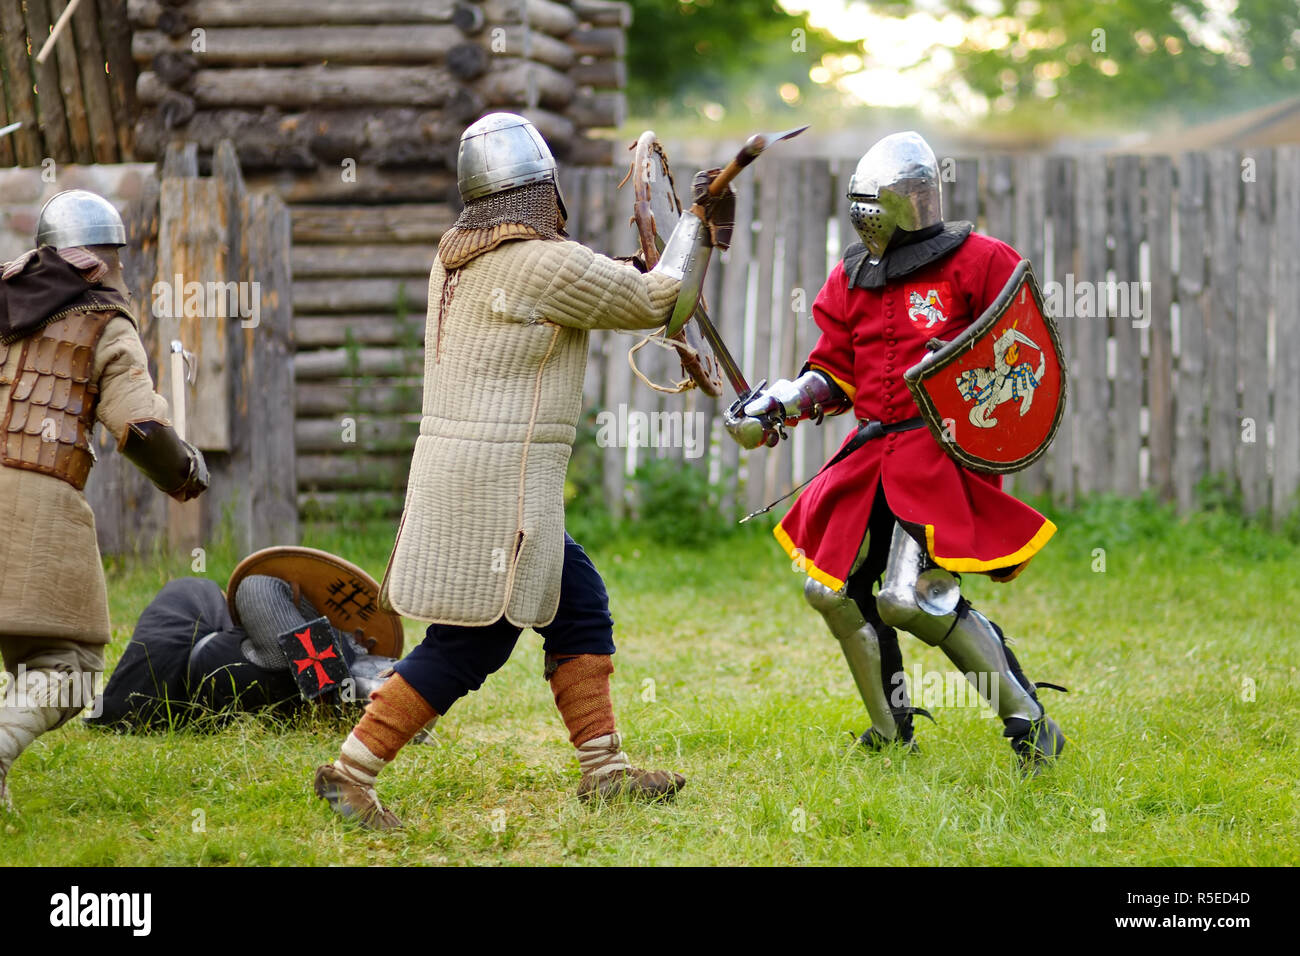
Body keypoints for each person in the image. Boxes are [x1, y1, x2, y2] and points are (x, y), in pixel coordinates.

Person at [312, 113, 735, 829]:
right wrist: (700, 226)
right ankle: (351, 772)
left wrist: (684, 236)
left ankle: (605, 772)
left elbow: (599, 281)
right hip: (497, 491)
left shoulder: (458, 255)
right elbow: (663, 303)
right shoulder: (540, 264)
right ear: (543, 190)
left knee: (580, 603)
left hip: (472, 479)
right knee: (472, 643)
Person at [726, 131, 1066, 772]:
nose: (862, 213)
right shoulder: (852, 274)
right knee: (831, 594)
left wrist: (962, 370)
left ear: (907, 199)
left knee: (911, 598)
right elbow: (835, 372)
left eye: (870, 200)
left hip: (934, 453)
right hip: (871, 453)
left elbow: (1018, 350)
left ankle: (1030, 722)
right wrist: (782, 401)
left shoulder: (979, 261)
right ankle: (891, 729)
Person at [0, 189, 208, 811]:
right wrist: (184, 471)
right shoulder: (104, 321)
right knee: (69, 663)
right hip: (38, 508)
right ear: (104, 258)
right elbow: (139, 428)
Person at [85, 557, 401, 731]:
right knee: (255, 587)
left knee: (271, 608)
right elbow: (255, 586)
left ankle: (355, 691)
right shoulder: (192, 602)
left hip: (244, 690)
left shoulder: (200, 618)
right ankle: (347, 691)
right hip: (236, 671)